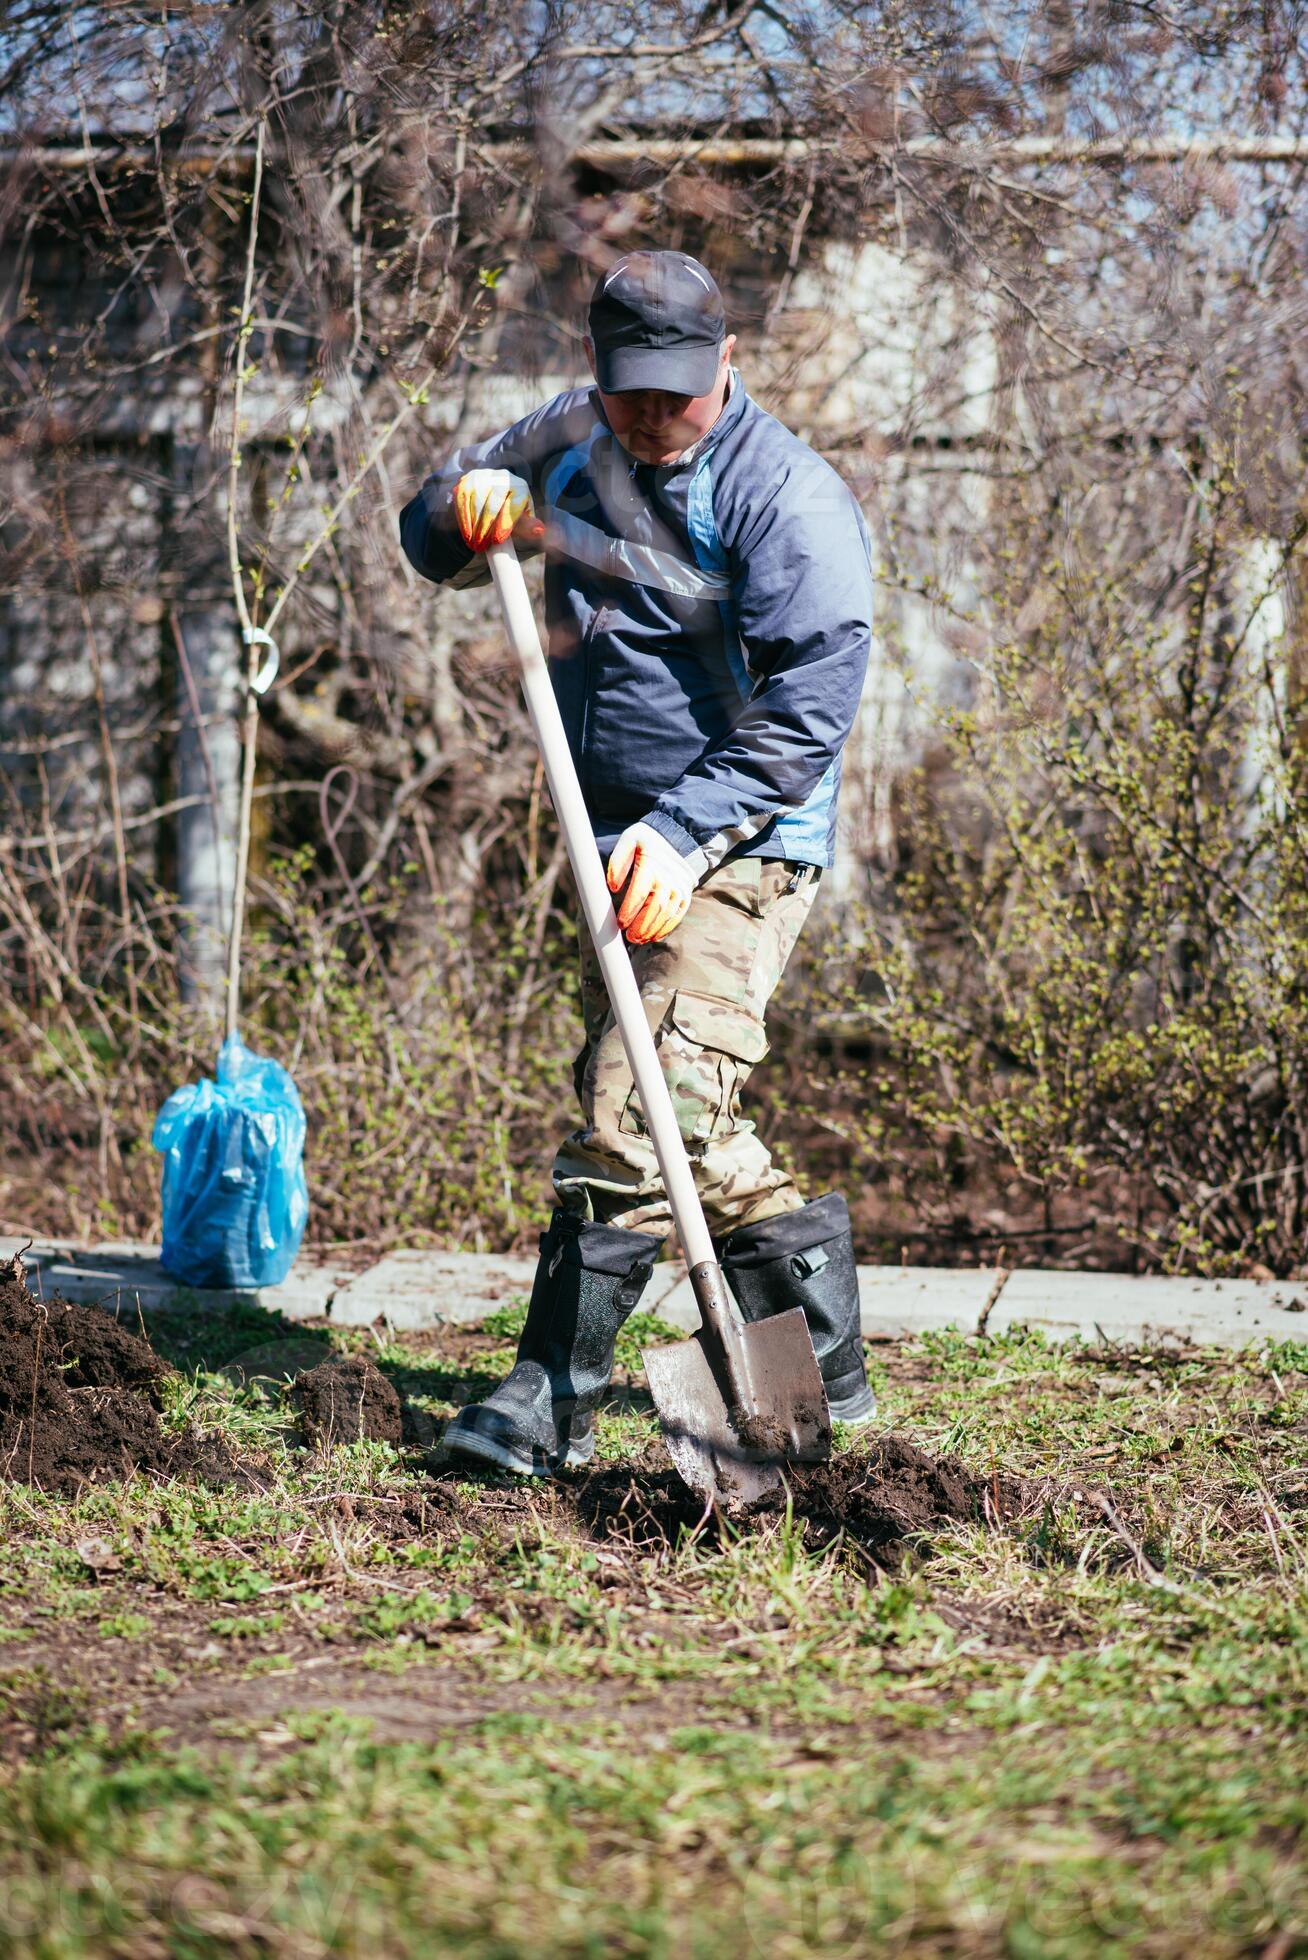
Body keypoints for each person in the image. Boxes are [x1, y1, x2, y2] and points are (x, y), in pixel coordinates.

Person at [400, 249, 875, 1476]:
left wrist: (686, 830)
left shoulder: (785, 494)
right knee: (680, 1102)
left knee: (635, 1101)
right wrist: (461, 510)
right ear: (597, 372)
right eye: (630, 390)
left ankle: (545, 1395)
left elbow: (813, 698)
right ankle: (822, 1364)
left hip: (744, 837)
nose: (655, 415)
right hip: (608, 834)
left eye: (679, 389)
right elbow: (432, 529)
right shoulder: (566, 436)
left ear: (730, 360)